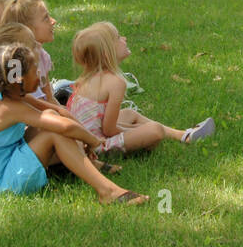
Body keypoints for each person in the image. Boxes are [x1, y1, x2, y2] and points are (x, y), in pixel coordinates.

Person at [0, 39, 147, 204]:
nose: (40, 72)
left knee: (50, 115)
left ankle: (84, 166)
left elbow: (58, 110)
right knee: (53, 132)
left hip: (6, 162)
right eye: (35, 68)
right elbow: (64, 127)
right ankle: (108, 191)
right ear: (19, 78)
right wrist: (92, 141)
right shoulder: (8, 106)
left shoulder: (11, 95)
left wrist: (82, 139)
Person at [69, 21, 215, 156]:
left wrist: (131, 128)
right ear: (107, 54)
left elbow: (104, 125)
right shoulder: (115, 83)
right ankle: (179, 135)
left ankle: (183, 135)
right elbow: (109, 130)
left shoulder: (89, 78)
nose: (124, 38)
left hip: (85, 139)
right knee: (155, 130)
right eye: (118, 37)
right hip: (97, 146)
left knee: (129, 113)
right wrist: (138, 131)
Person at [0, 0, 61, 104]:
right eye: (46, 18)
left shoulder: (42, 55)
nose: (53, 21)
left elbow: (49, 97)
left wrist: (64, 113)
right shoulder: (17, 63)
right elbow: (35, 105)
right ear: (27, 28)